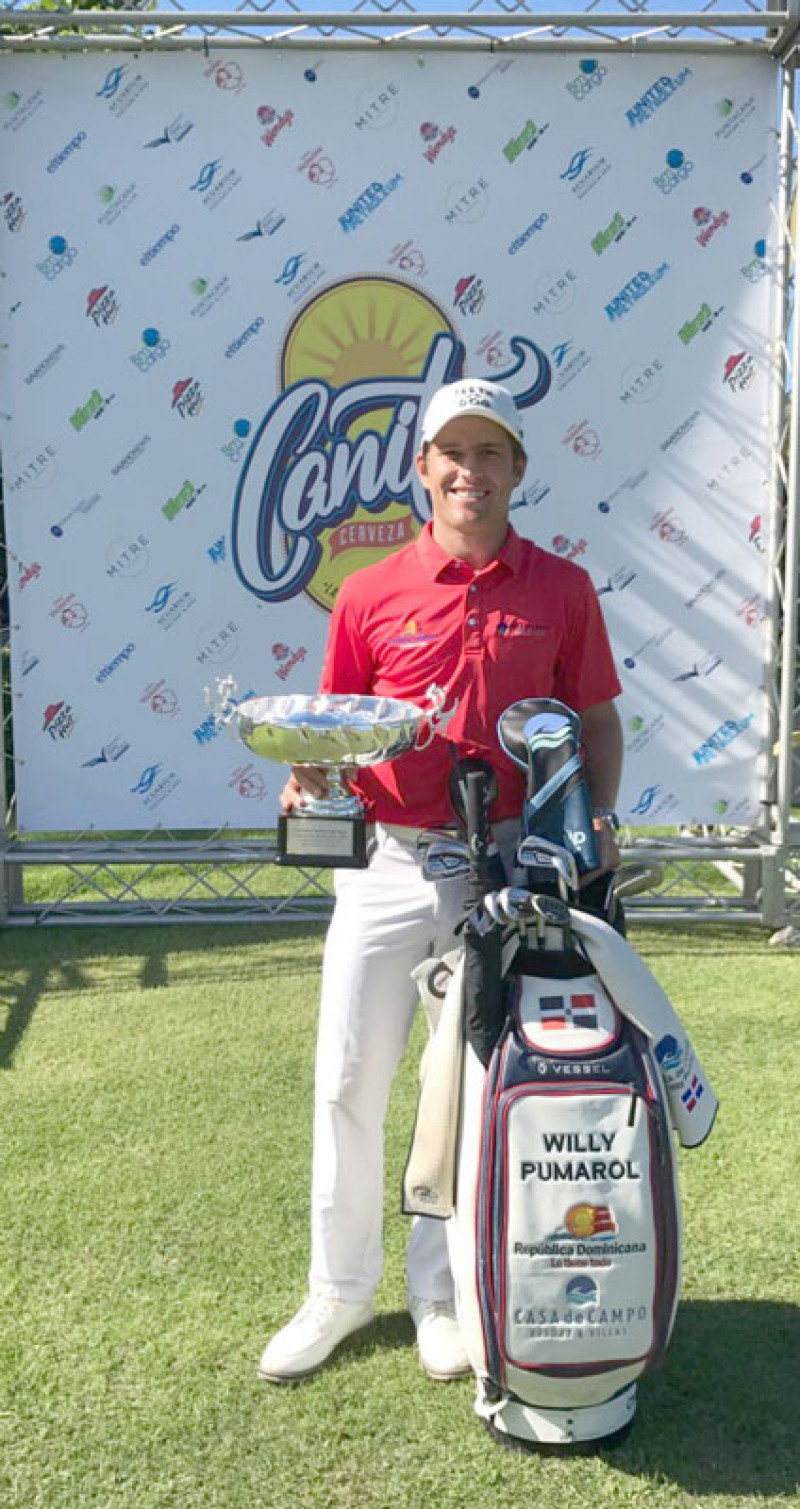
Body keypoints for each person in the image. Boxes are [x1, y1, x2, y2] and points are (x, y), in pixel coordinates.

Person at [258, 378, 623, 1384]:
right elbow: (330, 728)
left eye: (489, 453)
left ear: (516, 469)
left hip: (503, 867)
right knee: (346, 1081)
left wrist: (591, 822)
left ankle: (437, 1294)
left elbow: (594, 721)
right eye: (450, 454)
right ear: (421, 470)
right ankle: (335, 1293)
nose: (470, 471)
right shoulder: (369, 591)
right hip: (386, 861)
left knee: (457, 1092)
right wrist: (306, 778)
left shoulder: (559, 588)